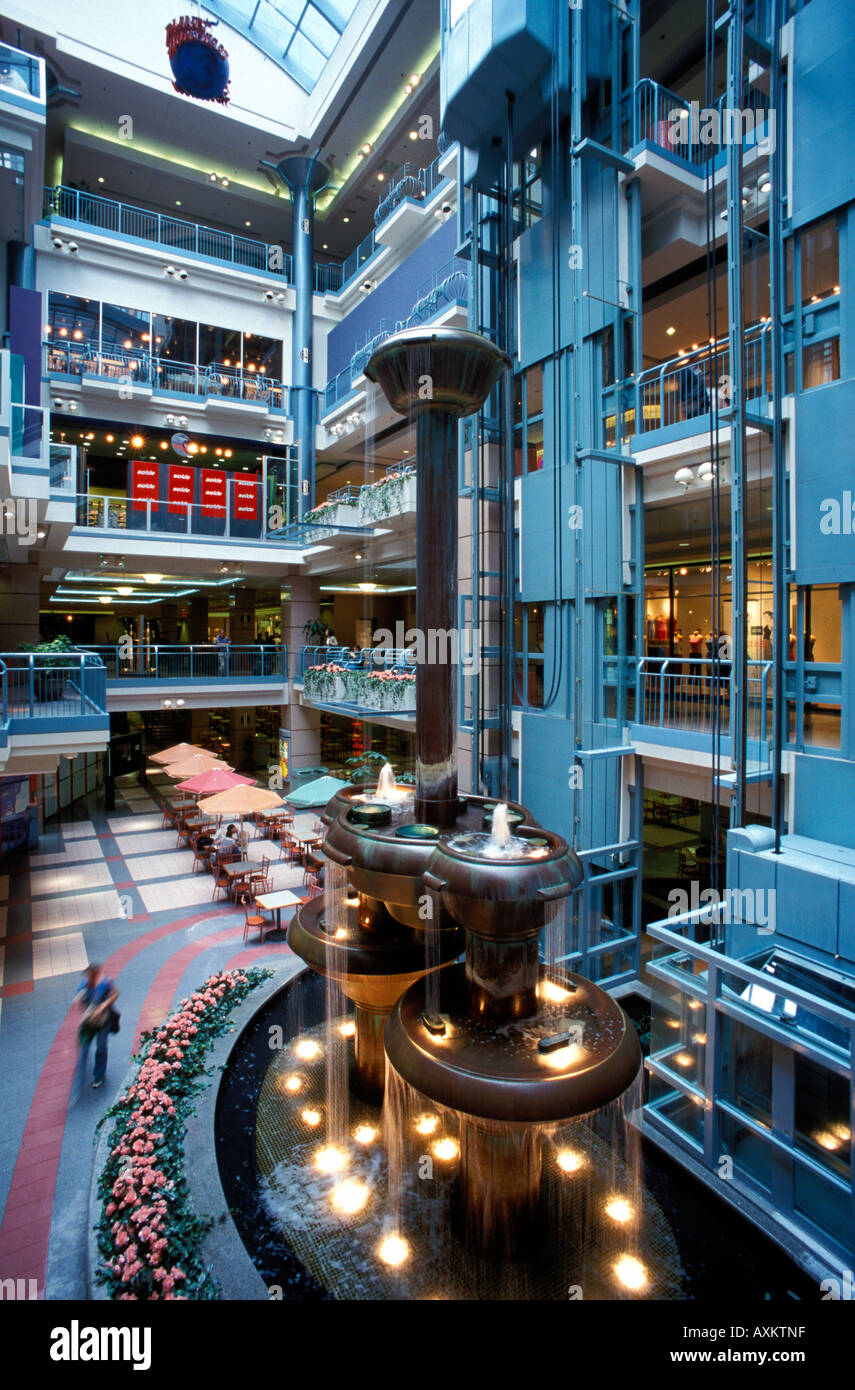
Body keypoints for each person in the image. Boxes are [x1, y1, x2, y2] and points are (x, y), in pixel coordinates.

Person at [72, 963, 118, 1099]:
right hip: (90, 1021)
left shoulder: (105, 982)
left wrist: (105, 1004)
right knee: (84, 1047)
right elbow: (80, 1001)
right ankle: (81, 1075)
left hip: (103, 1020)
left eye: (91, 975)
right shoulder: (84, 985)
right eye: (88, 976)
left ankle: (99, 1075)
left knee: (101, 1047)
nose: (89, 978)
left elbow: (115, 993)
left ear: (97, 973)